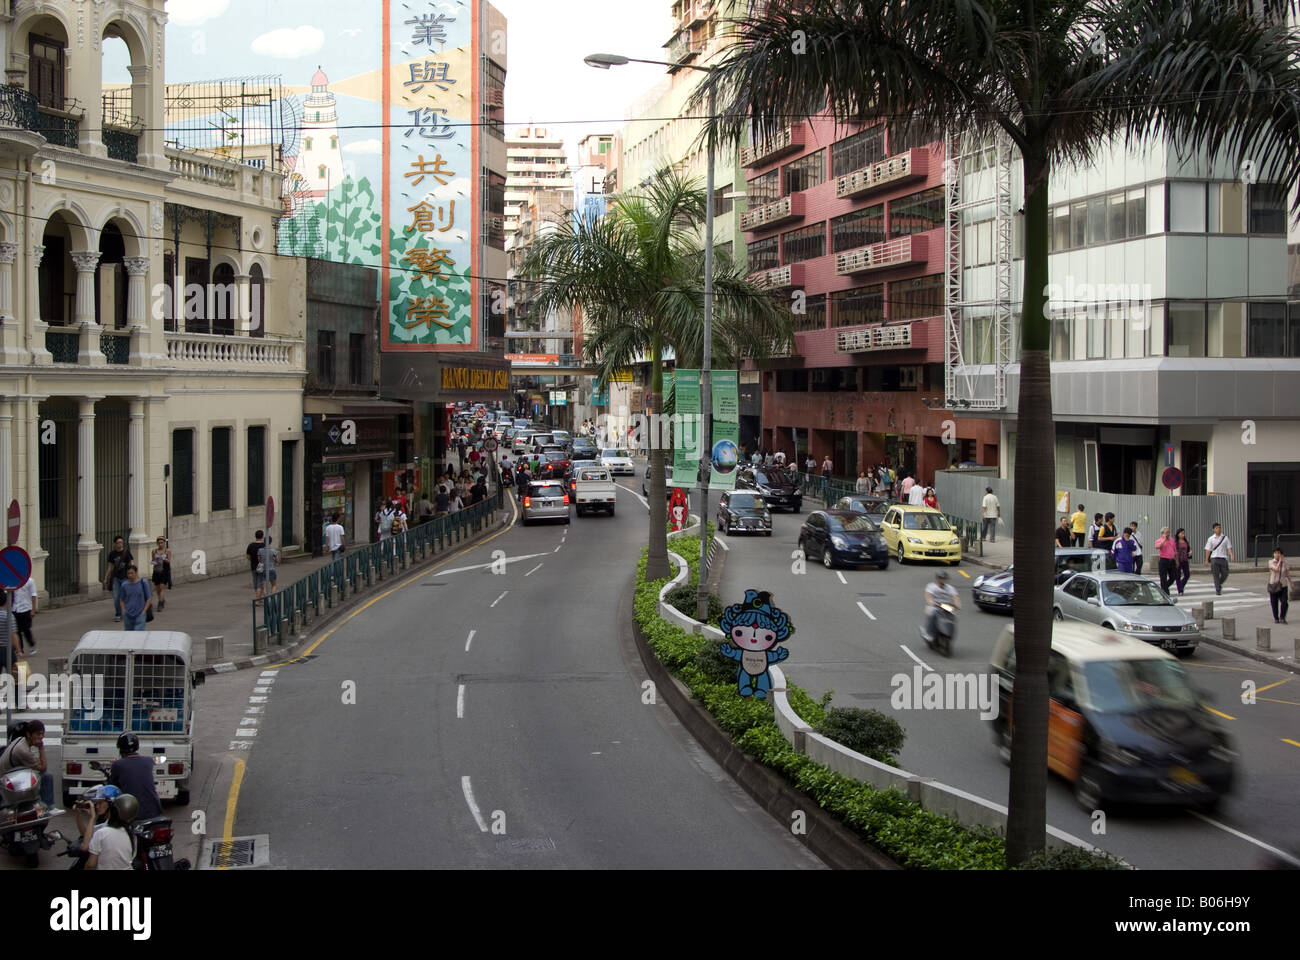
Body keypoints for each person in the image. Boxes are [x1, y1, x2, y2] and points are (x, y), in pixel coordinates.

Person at [75, 786, 136, 871]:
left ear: (111, 804)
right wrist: (78, 816)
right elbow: (86, 835)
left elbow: (85, 847)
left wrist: (92, 818)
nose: (97, 806)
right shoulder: (126, 830)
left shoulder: (103, 832)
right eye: (97, 803)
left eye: (100, 803)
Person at [107, 732, 164, 821]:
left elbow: (113, 786)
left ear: (120, 749)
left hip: (132, 813)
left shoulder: (118, 764)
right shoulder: (148, 760)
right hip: (155, 810)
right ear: (137, 747)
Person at [0, 719, 53, 805]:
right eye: (38, 734)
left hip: (11, 775)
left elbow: (36, 762)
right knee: (47, 776)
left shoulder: (20, 740)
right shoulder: (23, 750)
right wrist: (41, 748)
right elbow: (43, 768)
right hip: (6, 780)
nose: (41, 737)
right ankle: (49, 806)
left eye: (42, 734)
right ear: (28, 734)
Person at [921, 570, 960, 642]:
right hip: (934, 606)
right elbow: (928, 596)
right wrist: (931, 602)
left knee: (953, 617)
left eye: (944, 578)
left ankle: (949, 634)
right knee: (933, 615)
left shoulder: (950, 588)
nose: (942, 580)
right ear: (937, 579)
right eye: (941, 578)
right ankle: (929, 634)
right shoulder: (931, 586)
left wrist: (957, 604)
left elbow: (955, 597)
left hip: (946, 607)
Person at [102, 536, 132, 623]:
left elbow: (131, 564)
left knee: (125, 596)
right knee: (116, 597)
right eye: (118, 542)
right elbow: (110, 566)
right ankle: (118, 614)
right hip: (116, 577)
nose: (120, 544)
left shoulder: (126, 553)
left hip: (125, 577)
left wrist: (132, 576)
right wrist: (105, 578)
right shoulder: (112, 554)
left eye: (121, 542)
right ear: (114, 544)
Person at [1204, 522, 1234, 595]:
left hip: (1223, 558)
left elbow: (1229, 547)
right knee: (1216, 575)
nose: (1218, 529)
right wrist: (1206, 560)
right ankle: (1218, 590)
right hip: (1214, 558)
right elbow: (1208, 550)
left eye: (1219, 527)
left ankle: (1218, 584)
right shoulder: (1211, 539)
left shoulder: (1225, 538)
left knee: (1225, 574)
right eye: (1217, 528)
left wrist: (1231, 555)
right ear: (1214, 529)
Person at [10, 574, 36, 656]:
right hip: (14, 609)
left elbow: (33, 595)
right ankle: (20, 649)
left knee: (26, 629)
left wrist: (33, 609)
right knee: (16, 630)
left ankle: (31, 644)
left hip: (25, 608)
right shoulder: (13, 581)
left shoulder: (30, 581)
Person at [1267, 547, 1292, 624]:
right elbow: (1276, 569)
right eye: (1275, 553)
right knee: (1274, 603)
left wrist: (1291, 582)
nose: (1277, 555)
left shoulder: (1285, 563)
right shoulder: (1270, 562)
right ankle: (1276, 618)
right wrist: (1280, 561)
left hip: (1283, 585)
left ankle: (1282, 617)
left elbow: (1287, 573)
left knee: (1284, 602)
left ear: (1281, 554)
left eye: (1279, 553)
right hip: (1273, 585)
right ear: (1273, 554)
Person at [150, 537, 172, 611]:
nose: (160, 544)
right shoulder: (154, 551)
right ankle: (162, 599)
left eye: (162, 543)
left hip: (164, 571)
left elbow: (169, 561)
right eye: (159, 543)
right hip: (156, 571)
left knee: (162, 587)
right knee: (158, 589)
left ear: (164, 543)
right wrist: (155, 561)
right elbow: (152, 561)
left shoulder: (167, 551)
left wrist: (163, 558)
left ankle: (160, 603)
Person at [1155, 527, 1177, 593]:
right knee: (1163, 578)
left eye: (1168, 532)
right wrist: (1164, 540)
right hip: (1164, 560)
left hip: (1171, 560)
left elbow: (1175, 550)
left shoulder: (1172, 540)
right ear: (1162, 533)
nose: (1168, 534)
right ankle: (1165, 591)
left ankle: (1164, 588)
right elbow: (1157, 547)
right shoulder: (1159, 540)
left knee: (1173, 577)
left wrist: (1176, 560)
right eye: (1166, 532)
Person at [0, 592, 17, 678]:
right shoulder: (8, 615)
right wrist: (19, 649)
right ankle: (16, 691)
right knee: (15, 676)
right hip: (7, 648)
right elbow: (13, 634)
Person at [246, 530, 266, 595]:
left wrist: (252, 560)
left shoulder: (251, 545)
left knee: (255, 582)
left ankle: (258, 598)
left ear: (255, 536)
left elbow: (248, 556)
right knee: (261, 583)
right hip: (262, 566)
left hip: (253, 566)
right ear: (262, 536)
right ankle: (259, 599)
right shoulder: (264, 545)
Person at [1174, 528, 1192, 595]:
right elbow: (1174, 551)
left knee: (1187, 574)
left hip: (1185, 560)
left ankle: (1181, 585)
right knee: (1178, 576)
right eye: (1181, 533)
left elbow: (1188, 549)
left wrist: (1190, 552)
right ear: (1178, 534)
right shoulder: (1176, 542)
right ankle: (1180, 590)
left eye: (1183, 533)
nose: (1183, 534)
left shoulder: (1186, 542)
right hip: (1178, 560)